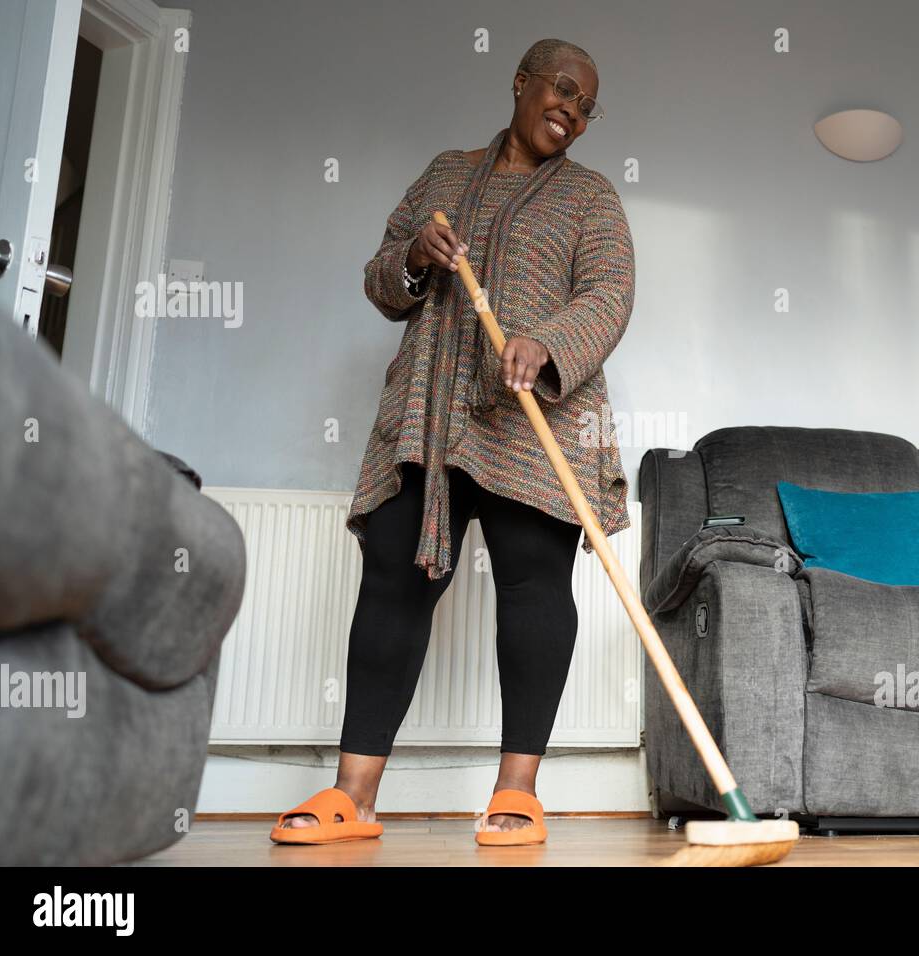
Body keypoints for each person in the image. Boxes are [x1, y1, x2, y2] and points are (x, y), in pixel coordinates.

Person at [270, 38, 635, 847]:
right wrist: (411, 257)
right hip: (429, 417)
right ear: (521, 83)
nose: (572, 111)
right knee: (393, 584)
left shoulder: (591, 197)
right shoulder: (444, 175)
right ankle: (352, 798)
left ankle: (517, 793)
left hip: (534, 421)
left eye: (587, 105)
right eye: (563, 90)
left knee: (534, 589)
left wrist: (546, 344)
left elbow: (610, 295)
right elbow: (379, 281)